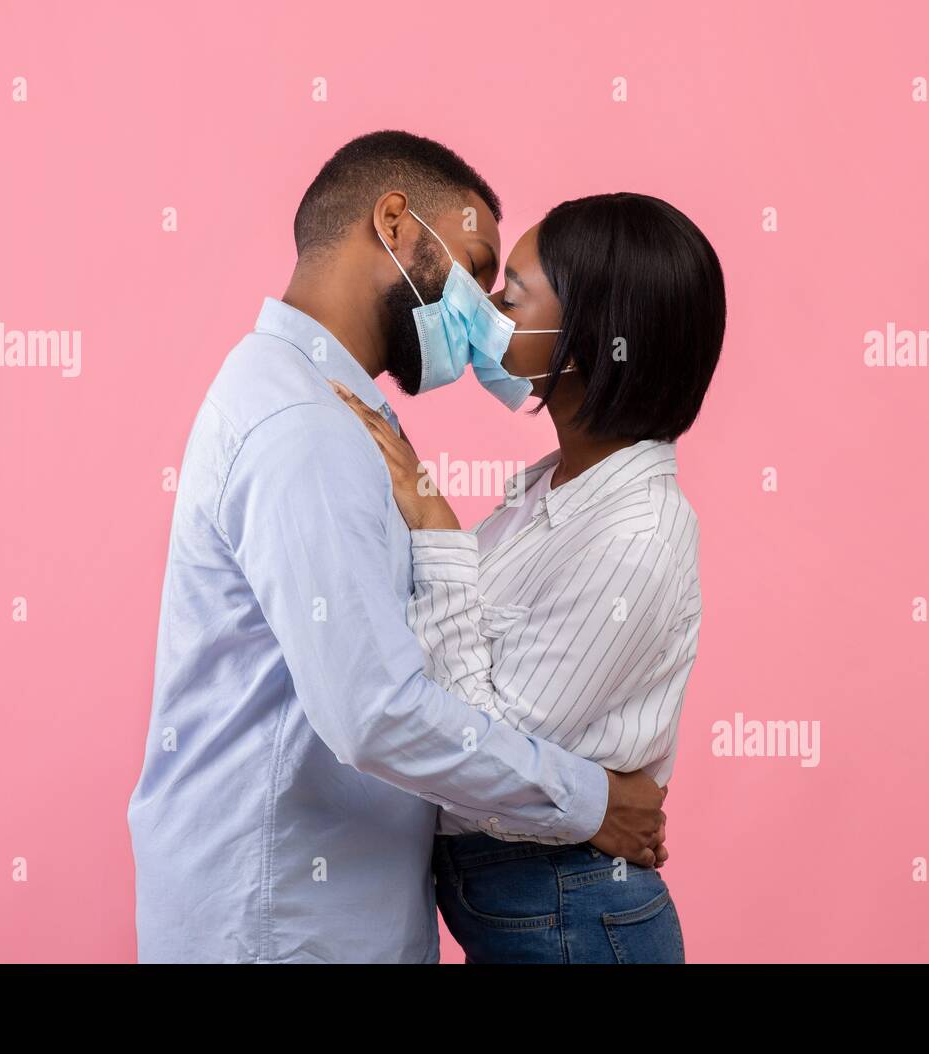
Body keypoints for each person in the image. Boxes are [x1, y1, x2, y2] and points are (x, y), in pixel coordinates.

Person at [126, 132, 668, 964]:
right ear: (396, 224)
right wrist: (594, 801)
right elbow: (373, 711)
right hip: (285, 924)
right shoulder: (303, 427)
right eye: (477, 270)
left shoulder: (321, 403)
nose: (487, 318)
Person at [335, 191, 725, 963]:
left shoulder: (635, 536)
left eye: (511, 291)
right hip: (529, 902)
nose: (483, 305)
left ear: (584, 344)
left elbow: (487, 755)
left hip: (572, 911)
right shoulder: (553, 488)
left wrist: (433, 519)